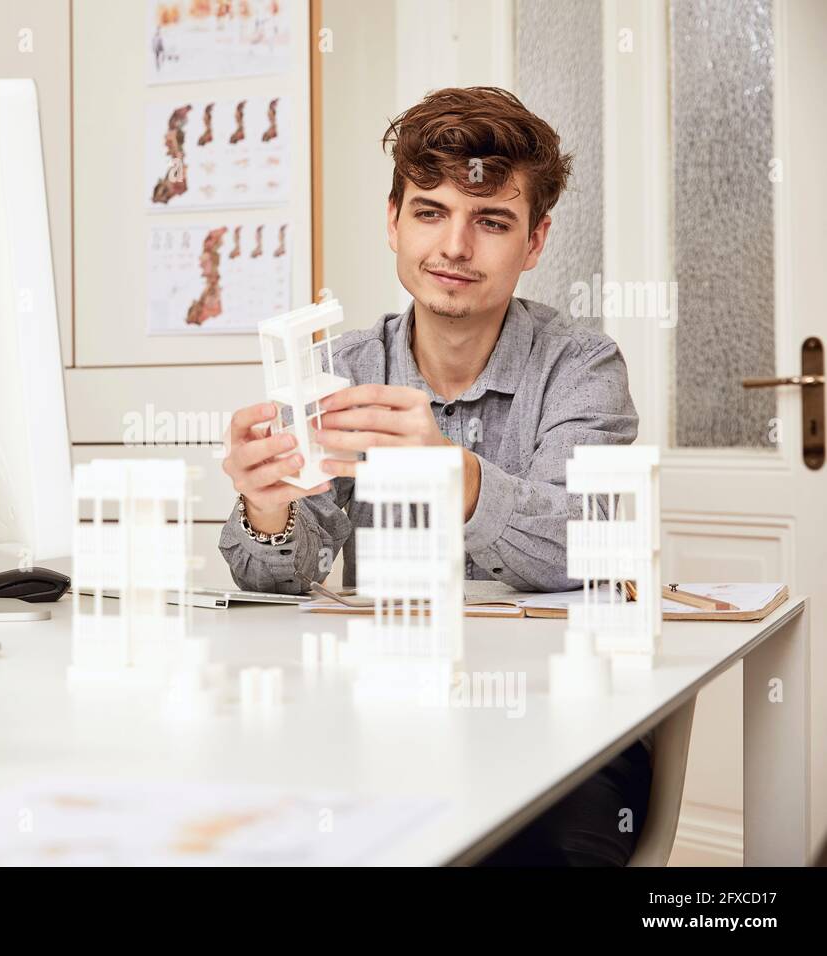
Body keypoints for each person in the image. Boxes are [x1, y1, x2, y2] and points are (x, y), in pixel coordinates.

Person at [218, 86, 651, 866]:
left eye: (490, 222)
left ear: (536, 240)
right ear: (393, 222)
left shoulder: (583, 368)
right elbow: (280, 580)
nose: (454, 247)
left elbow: (591, 549)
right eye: (429, 212)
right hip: (381, 704)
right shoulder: (342, 367)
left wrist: (460, 479)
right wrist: (267, 508)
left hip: (559, 720)